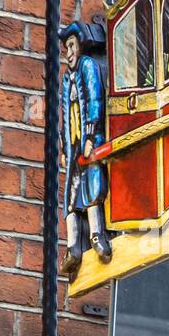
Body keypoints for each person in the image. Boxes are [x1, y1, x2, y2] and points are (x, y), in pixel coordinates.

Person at [59, 22, 111, 277]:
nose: (68, 52)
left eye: (71, 46)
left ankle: (96, 235)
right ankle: (72, 248)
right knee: (71, 196)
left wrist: (90, 135)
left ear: (80, 46)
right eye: (65, 48)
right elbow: (63, 116)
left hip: (89, 140)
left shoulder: (89, 68)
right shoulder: (65, 80)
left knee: (92, 189)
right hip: (72, 144)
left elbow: (95, 101)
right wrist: (63, 145)